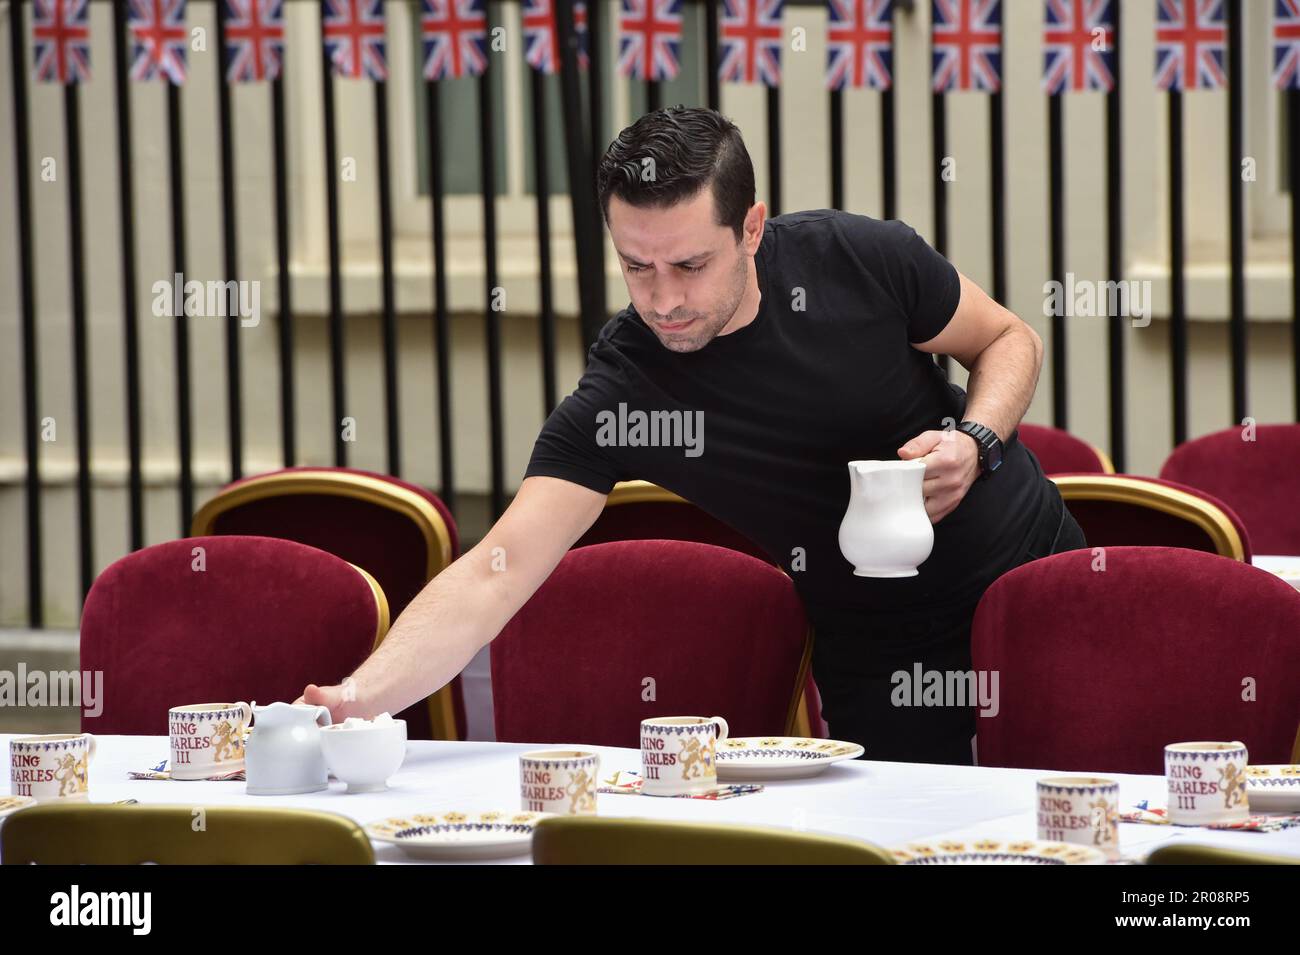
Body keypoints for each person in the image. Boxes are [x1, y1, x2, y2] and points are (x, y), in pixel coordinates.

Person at [300, 106, 1086, 764]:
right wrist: (354, 698)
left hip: (1031, 571)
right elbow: (493, 574)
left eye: (689, 263)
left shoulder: (860, 258)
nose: (664, 298)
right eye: (636, 266)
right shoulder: (625, 387)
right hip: (877, 644)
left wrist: (976, 441)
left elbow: (1009, 339)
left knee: (1100, 827)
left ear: (751, 228)